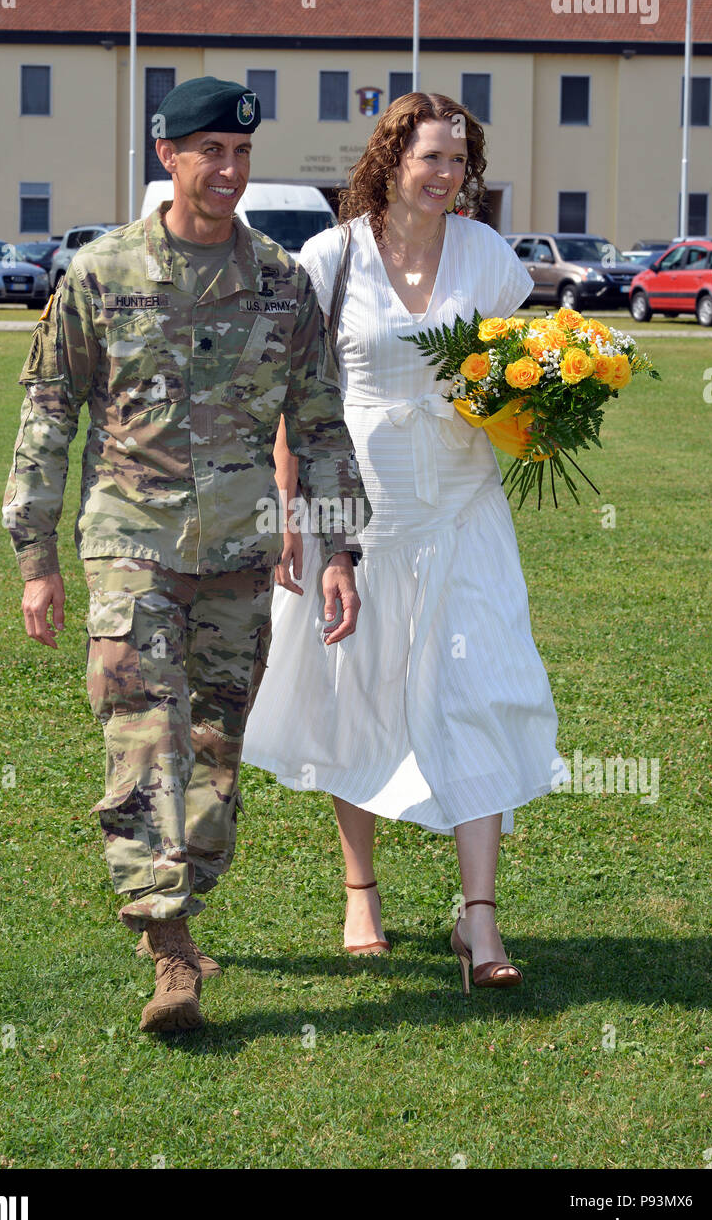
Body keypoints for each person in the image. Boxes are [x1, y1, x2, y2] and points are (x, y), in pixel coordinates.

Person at [2, 76, 369, 1033]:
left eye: (243, 154)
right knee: (140, 729)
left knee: (214, 745)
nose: (230, 171)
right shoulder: (101, 273)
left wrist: (337, 553)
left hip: (244, 553)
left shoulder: (284, 284)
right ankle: (169, 948)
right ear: (168, 156)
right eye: (211, 152)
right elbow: (48, 414)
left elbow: (322, 426)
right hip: (132, 542)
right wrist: (36, 556)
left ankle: (182, 900)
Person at [242, 92, 568, 991]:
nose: (448, 175)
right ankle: (360, 890)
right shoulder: (329, 256)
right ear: (391, 159)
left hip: (464, 507)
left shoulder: (489, 258)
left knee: (484, 689)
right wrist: (289, 511)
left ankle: (481, 921)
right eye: (431, 158)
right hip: (358, 515)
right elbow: (293, 392)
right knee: (357, 691)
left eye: (461, 160)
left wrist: (547, 407)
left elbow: (515, 371)